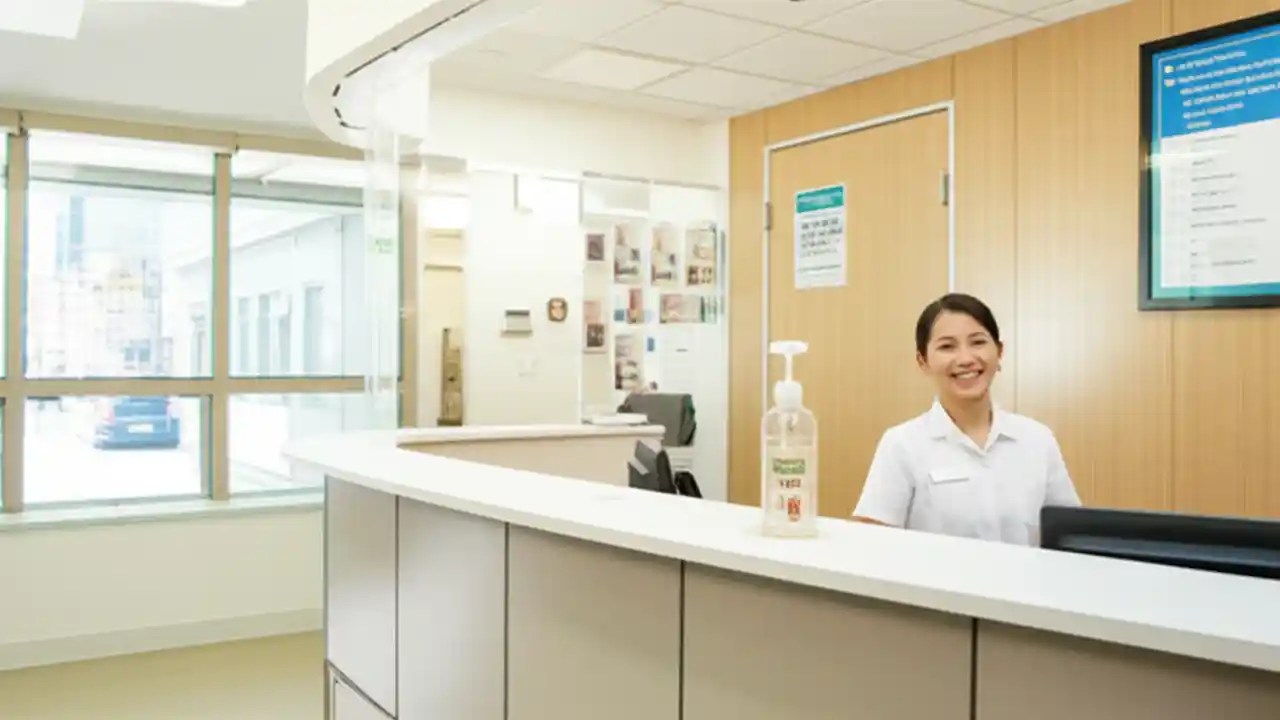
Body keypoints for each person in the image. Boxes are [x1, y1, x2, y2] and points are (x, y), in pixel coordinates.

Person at [852, 293, 1080, 546]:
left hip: (1025, 586)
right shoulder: (902, 444)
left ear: (999, 352)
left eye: (978, 342)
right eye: (947, 346)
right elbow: (869, 545)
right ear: (923, 361)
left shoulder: (1038, 439)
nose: (966, 359)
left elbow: (1072, 537)